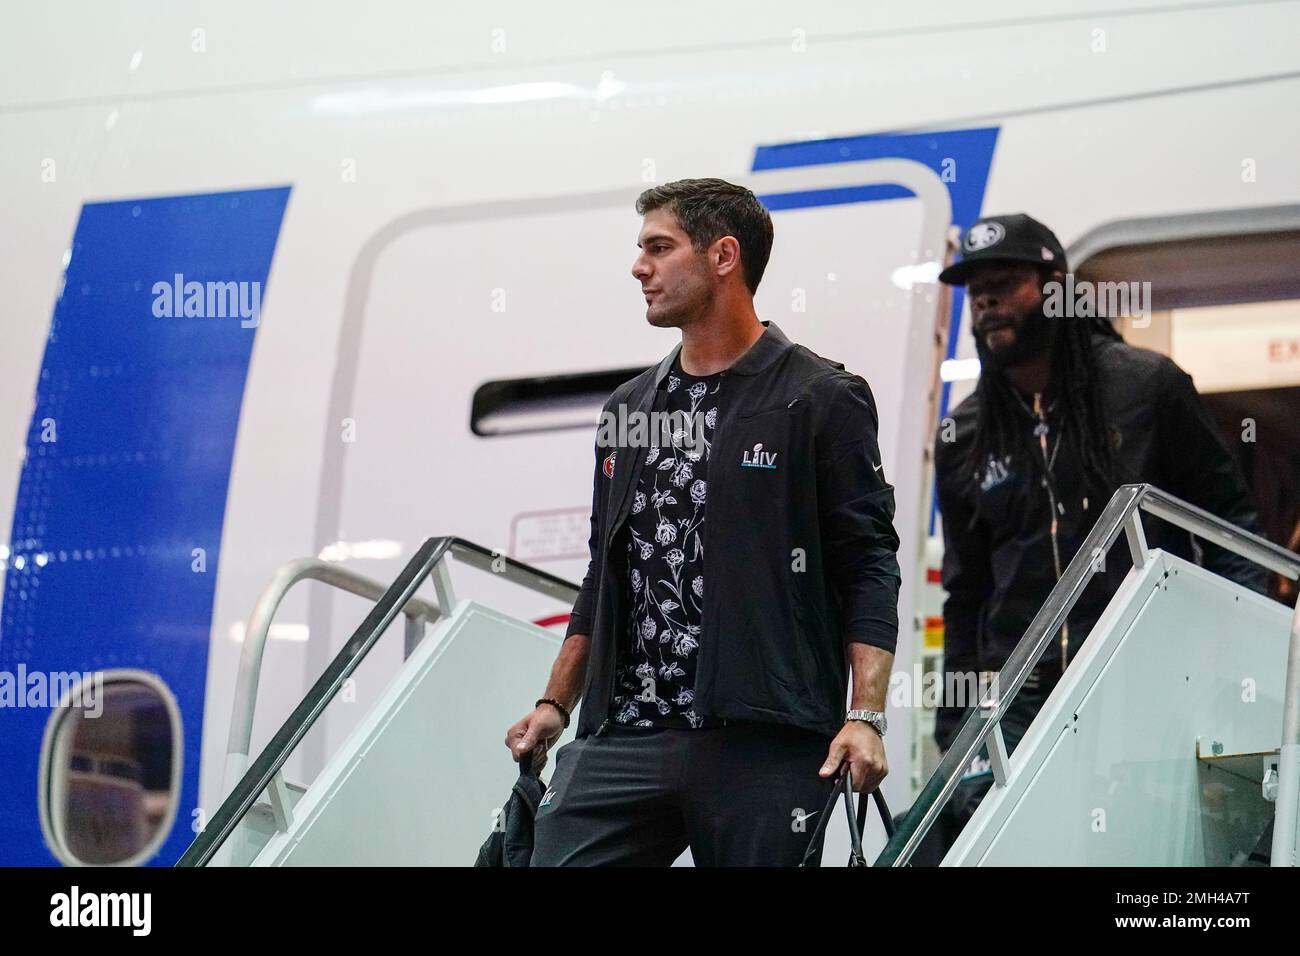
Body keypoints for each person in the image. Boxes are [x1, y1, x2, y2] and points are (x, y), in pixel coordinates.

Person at [503, 178, 902, 866]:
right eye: (640, 250)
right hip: (625, 734)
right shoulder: (629, 409)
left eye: (660, 247)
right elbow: (605, 570)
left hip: (763, 739)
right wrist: (555, 704)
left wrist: (864, 717)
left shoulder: (820, 398)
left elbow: (868, 563)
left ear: (724, 256)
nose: (639, 267)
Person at [926, 214, 1267, 854]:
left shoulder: (1145, 386)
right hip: (1019, 698)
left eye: (1005, 283)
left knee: (1141, 849)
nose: (988, 301)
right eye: (977, 291)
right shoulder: (966, 432)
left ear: (1056, 288)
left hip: (1143, 675)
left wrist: (1234, 660)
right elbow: (965, 592)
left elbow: (1231, 530)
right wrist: (957, 730)